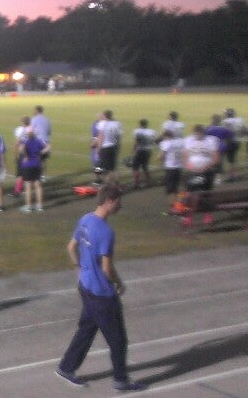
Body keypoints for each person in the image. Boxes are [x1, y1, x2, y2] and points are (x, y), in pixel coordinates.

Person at [55, 181, 145, 392]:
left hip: (85, 287)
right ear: (108, 201)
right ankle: (121, 381)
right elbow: (106, 268)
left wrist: (80, 266)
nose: (120, 206)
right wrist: (119, 283)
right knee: (118, 340)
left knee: (86, 329)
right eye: (118, 202)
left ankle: (66, 367)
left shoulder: (85, 219)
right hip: (101, 294)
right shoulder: (105, 231)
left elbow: (71, 247)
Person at [18, 128, 49, 212]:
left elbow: (20, 149)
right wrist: (40, 153)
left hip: (27, 166)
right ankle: (40, 206)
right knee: (38, 185)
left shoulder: (25, 141)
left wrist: (25, 156)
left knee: (28, 186)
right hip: (37, 165)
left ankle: (28, 206)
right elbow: (47, 147)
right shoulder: (38, 140)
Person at [182, 124, 220, 191]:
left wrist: (205, 167)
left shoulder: (211, 140)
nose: (197, 136)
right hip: (192, 170)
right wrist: (190, 167)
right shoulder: (188, 140)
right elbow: (184, 156)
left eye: (199, 134)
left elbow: (215, 158)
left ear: (203, 133)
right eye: (195, 134)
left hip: (207, 170)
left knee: (206, 190)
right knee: (190, 189)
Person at [94, 110, 122, 184]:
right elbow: (118, 137)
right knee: (112, 168)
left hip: (105, 148)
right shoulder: (117, 124)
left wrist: (98, 150)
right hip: (113, 147)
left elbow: (101, 137)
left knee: (104, 169)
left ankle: (106, 185)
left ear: (105, 115)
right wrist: (118, 148)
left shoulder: (102, 124)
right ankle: (117, 184)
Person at [158, 130, 184, 208]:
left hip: (170, 168)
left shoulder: (167, 143)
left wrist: (159, 156)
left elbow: (160, 157)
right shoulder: (179, 142)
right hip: (178, 167)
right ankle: (178, 203)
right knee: (176, 187)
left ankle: (173, 206)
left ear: (166, 136)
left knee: (170, 188)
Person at [130, 119, 156, 189]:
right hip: (148, 151)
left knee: (135, 168)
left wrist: (133, 149)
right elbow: (153, 141)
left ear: (140, 124)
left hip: (140, 151)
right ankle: (149, 183)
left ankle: (136, 184)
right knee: (145, 167)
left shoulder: (137, 131)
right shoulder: (151, 131)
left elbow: (136, 141)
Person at [222, 108, 246, 181]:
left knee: (231, 160)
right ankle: (235, 175)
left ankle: (232, 176)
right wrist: (240, 135)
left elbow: (228, 131)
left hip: (230, 142)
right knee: (234, 159)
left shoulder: (227, 121)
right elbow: (244, 130)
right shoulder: (239, 120)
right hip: (238, 141)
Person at [30, 105, 52, 179]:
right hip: (45, 142)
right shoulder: (47, 119)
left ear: (36, 111)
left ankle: (36, 176)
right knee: (43, 160)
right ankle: (43, 176)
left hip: (37, 141)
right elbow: (49, 132)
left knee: (35, 159)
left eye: (34, 110)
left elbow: (31, 131)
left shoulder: (34, 119)